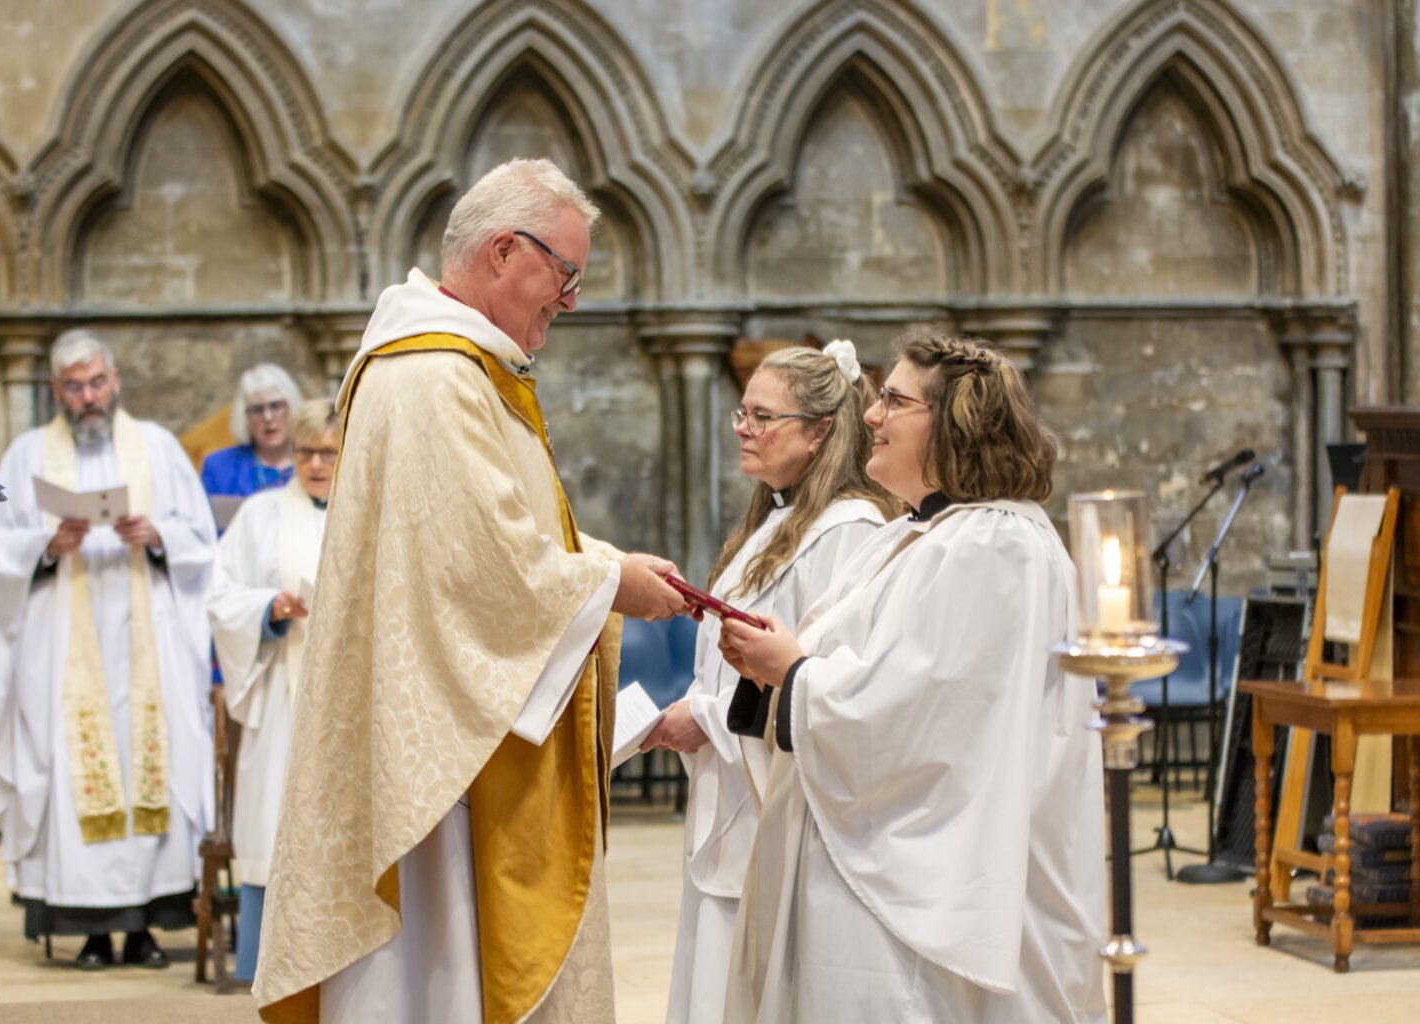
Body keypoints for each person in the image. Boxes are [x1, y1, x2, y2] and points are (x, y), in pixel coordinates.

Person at [254, 158, 687, 1024]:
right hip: (441, 768)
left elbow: (494, 534)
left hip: (451, 730)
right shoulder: (434, 376)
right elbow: (481, 571)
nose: (569, 301)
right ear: (501, 251)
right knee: (440, 976)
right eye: (565, 275)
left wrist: (603, 561)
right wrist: (611, 585)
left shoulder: (455, 366)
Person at [718, 330, 1107, 1023]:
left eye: (894, 401)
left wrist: (795, 673)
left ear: (959, 421)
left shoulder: (996, 544)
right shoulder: (917, 533)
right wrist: (775, 667)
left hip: (924, 890)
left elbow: (925, 720)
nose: (870, 414)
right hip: (864, 861)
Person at [642, 340, 893, 1024]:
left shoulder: (848, 529)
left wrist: (711, 715)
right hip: (733, 781)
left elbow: (825, 670)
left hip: (776, 788)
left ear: (818, 433)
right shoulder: (776, 520)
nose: (745, 430)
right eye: (742, 414)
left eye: (763, 416)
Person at [0, 329, 216, 970]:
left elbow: (203, 539)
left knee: (150, 765)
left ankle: (145, 928)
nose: (87, 397)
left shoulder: (159, 449)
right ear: (56, 391)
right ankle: (92, 931)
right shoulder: (26, 455)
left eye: (96, 383)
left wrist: (157, 533)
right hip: (62, 648)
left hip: (148, 648)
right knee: (71, 770)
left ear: (114, 382)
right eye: (74, 387)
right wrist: (45, 547)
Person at [204, 399, 338, 983]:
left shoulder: (372, 509)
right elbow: (221, 595)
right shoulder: (259, 514)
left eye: (327, 452)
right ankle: (263, 965)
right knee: (274, 820)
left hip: (348, 698)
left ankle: (339, 964)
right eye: (305, 451)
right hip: (282, 691)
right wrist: (272, 608)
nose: (314, 463)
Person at [199, 364, 303, 503]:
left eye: (276, 406)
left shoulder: (317, 461)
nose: (268, 417)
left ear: (291, 407)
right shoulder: (218, 467)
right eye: (257, 410)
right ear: (244, 416)